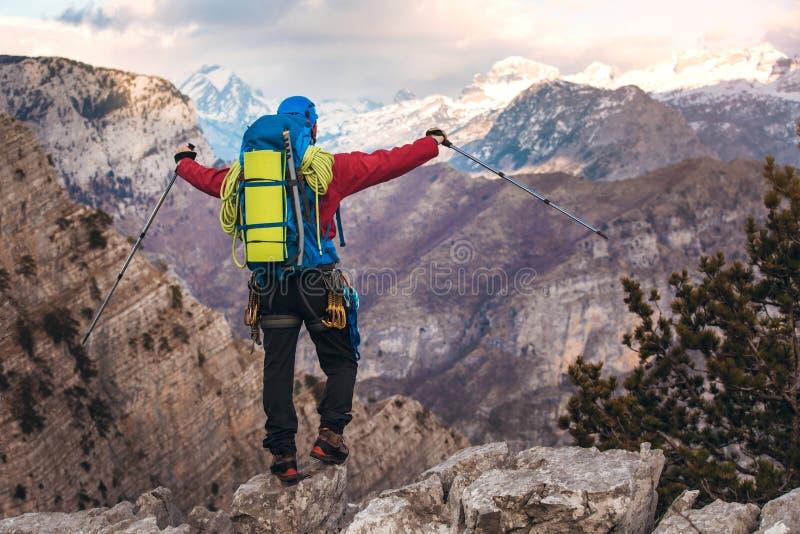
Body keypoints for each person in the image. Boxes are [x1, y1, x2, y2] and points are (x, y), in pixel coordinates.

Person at [174, 95, 447, 483]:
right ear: (310, 129)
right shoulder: (329, 169)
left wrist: (183, 162)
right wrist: (430, 144)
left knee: (278, 369)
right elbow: (385, 163)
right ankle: (329, 436)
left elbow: (208, 181)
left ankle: (283, 455)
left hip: (270, 287)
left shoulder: (247, 174)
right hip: (318, 285)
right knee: (340, 361)